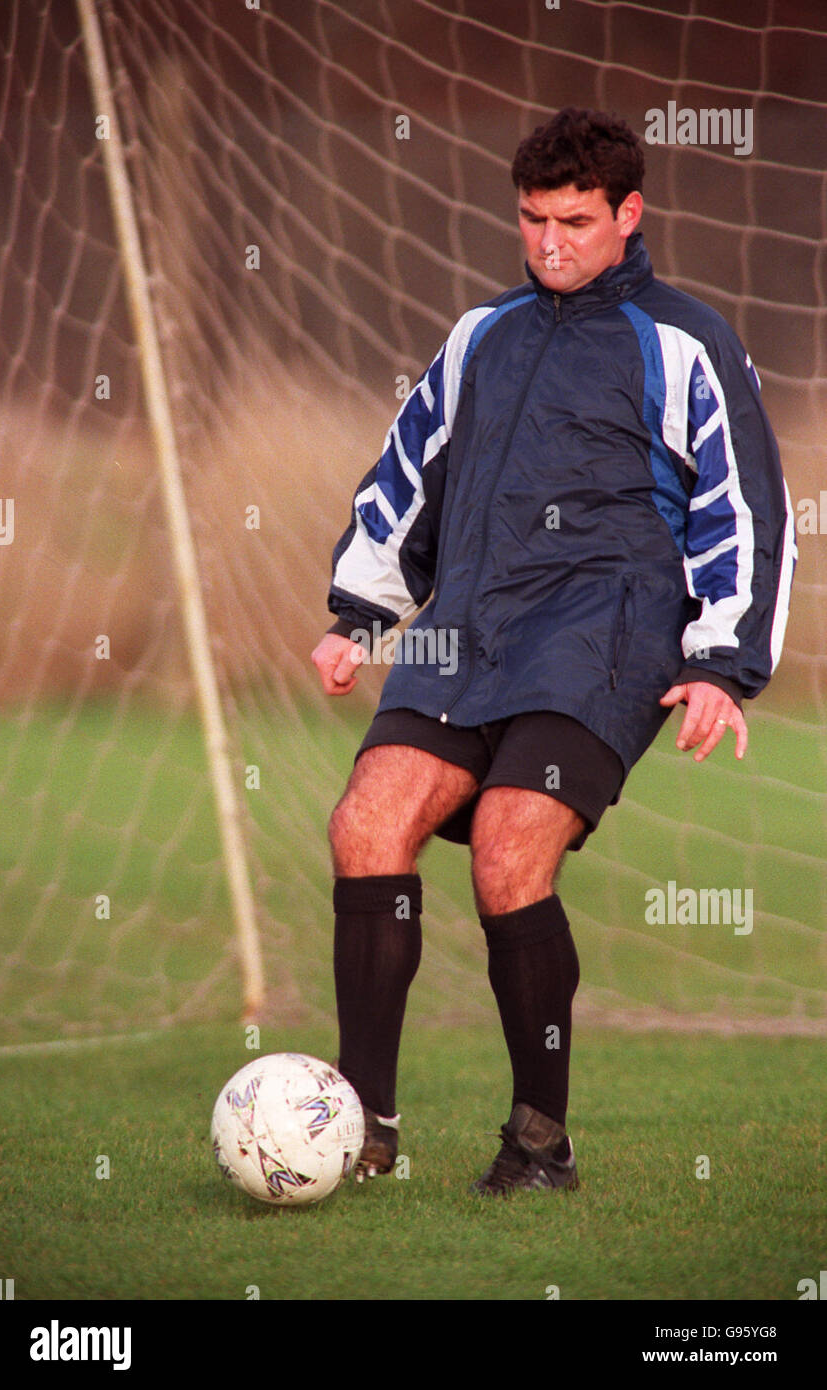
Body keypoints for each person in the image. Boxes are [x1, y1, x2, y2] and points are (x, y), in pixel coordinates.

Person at [311, 107, 795, 1195]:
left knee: (505, 847)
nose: (549, 243)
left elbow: (746, 510)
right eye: (532, 219)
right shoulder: (480, 334)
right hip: (469, 626)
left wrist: (721, 663)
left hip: (604, 633)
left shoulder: (685, 341)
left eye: (574, 220)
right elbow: (406, 474)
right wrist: (360, 613)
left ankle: (539, 1143)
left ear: (629, 213)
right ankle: (356, 1125)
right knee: (365, 822)